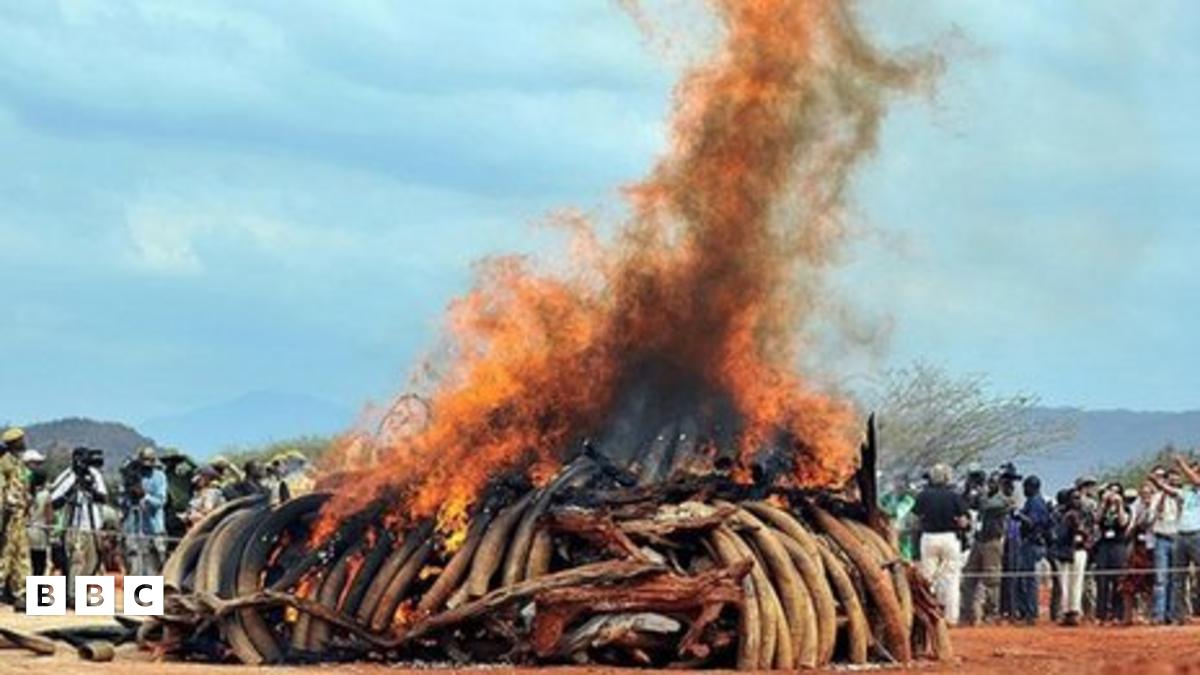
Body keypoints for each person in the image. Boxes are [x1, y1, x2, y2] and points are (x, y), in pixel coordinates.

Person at [49, 446, 108, 603]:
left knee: (93, 561)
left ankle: (83, 593)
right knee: (76, 561)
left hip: (93, 525)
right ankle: (72, 595)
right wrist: (72, 488)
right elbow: (54, 501)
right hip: (74, 525)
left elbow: (103, 498)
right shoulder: (67, 475)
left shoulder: (95, 475)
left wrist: (90, 488)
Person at [914, 463, 969, 625]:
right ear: (947, 478)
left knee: (927, 578)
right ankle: (951, 618)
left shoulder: (923, 495)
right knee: (951, 578)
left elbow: (916, 518)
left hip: (929, 538)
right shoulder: (954, 496)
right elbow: (964, 521)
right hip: (949, 538)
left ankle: (929, 615)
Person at [1150, 455, 1200, 625]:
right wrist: (1156, 482)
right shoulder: (1185, 493)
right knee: (1179, 577)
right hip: (1181, 537)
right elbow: (1167, 489)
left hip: (1197, 535)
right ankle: (1179, 615)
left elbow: (1195, 480)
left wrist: (1182, 464)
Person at [961, 471, 1014, 625]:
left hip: (992, 541)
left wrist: (981, 492)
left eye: (993, 482)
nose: (990, 485)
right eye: (989, 482)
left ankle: (992, 613)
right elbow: (966, 503)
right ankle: (968, 613)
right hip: (978, 540)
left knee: (991, 579)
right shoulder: (983, 496)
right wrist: (968, 488)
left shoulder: (1004, 500)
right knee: (969, 577)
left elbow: (986, 505)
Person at [123, 447, 168, 576]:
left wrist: (145, 496)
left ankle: (152, 594)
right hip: (134, 528)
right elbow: (124, 502)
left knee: (154, 563)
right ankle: (135, 594)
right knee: (134, 563)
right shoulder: (133, 475)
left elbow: (161, 501)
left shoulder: (160, 477)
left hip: (154, 528)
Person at [1014, 474, 1052, 624]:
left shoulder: (1036, 502)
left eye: (1025, 487)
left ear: (1031, 487)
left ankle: (1031, 612)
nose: (1023, 490)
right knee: (1024, 578)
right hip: (1030, 543)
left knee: (1029, 579)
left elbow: (1032, 523)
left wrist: (1019, 515)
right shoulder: (1032, 501)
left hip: (1033, 543)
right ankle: (1026, 611)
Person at [0, 427, 31, 608]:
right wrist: (6, 504)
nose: (23, 442)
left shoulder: (18, 463)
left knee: (21, 555)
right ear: (15, 442)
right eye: (21, 439)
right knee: (6, 553)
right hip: (9, 516)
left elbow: (22, 487)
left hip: (19, 516)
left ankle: (21, 593)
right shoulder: (4, 463)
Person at [1052, 488, 1093, 626]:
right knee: (1064, 582)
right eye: (1074, 498)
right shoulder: (1060, 514)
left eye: (1078, 498)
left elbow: (1090, 531)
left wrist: (1080, 528)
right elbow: (1057, 533)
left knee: (1077, 581)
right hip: (1064, 551)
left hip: (1079, 550)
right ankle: (1066, 612)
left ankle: (1075, 612)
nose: (1077, 500)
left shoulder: (1085, 514)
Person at [1093, 482, 1130, 623]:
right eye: (1111, 491)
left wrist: (1119, 505)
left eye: (1116, 492)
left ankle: (1117, 613)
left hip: (1118, 545)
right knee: (1102, 580)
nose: (1113, 495)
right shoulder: (1103, 507)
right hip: (1104, 545)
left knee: (1118, 580)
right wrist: (1103, 502)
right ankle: (1100, 615)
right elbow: (1096, 520)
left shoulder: (1125, 508)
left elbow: (1123, 523)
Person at [1120, 482, 1157, 623]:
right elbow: (1127, 529)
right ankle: (1127, 616)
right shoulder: (1134, 508)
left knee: (1149, 584)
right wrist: (1135, 523)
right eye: (1143, 494)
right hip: (1135, 548)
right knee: (1128, 584)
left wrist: (1150, 509)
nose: (1146, 496)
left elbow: (1153, 523)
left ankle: (1148, 615)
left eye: (1148, 494)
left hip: (1151, 549)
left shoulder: (1155, 507)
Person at [1149, 466, 1181, 623]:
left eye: (1177, 479)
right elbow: (1150, 517)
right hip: (1161, 538)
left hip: (1177, 538)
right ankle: (1158, 615)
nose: (1174, 482)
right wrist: (1159, 503)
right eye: (1171, 479)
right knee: (1160, 579)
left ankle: (1172, 614)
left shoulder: (1183, 496)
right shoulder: (1157, 496)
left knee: (1175, 579)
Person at [26, 469, 52, 576]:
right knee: (40, 564)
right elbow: (49, 516)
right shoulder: (46, 495)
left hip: (27, 530)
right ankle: (38, 591)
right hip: (40, 532)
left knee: (30, 563)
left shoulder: (27, 494)